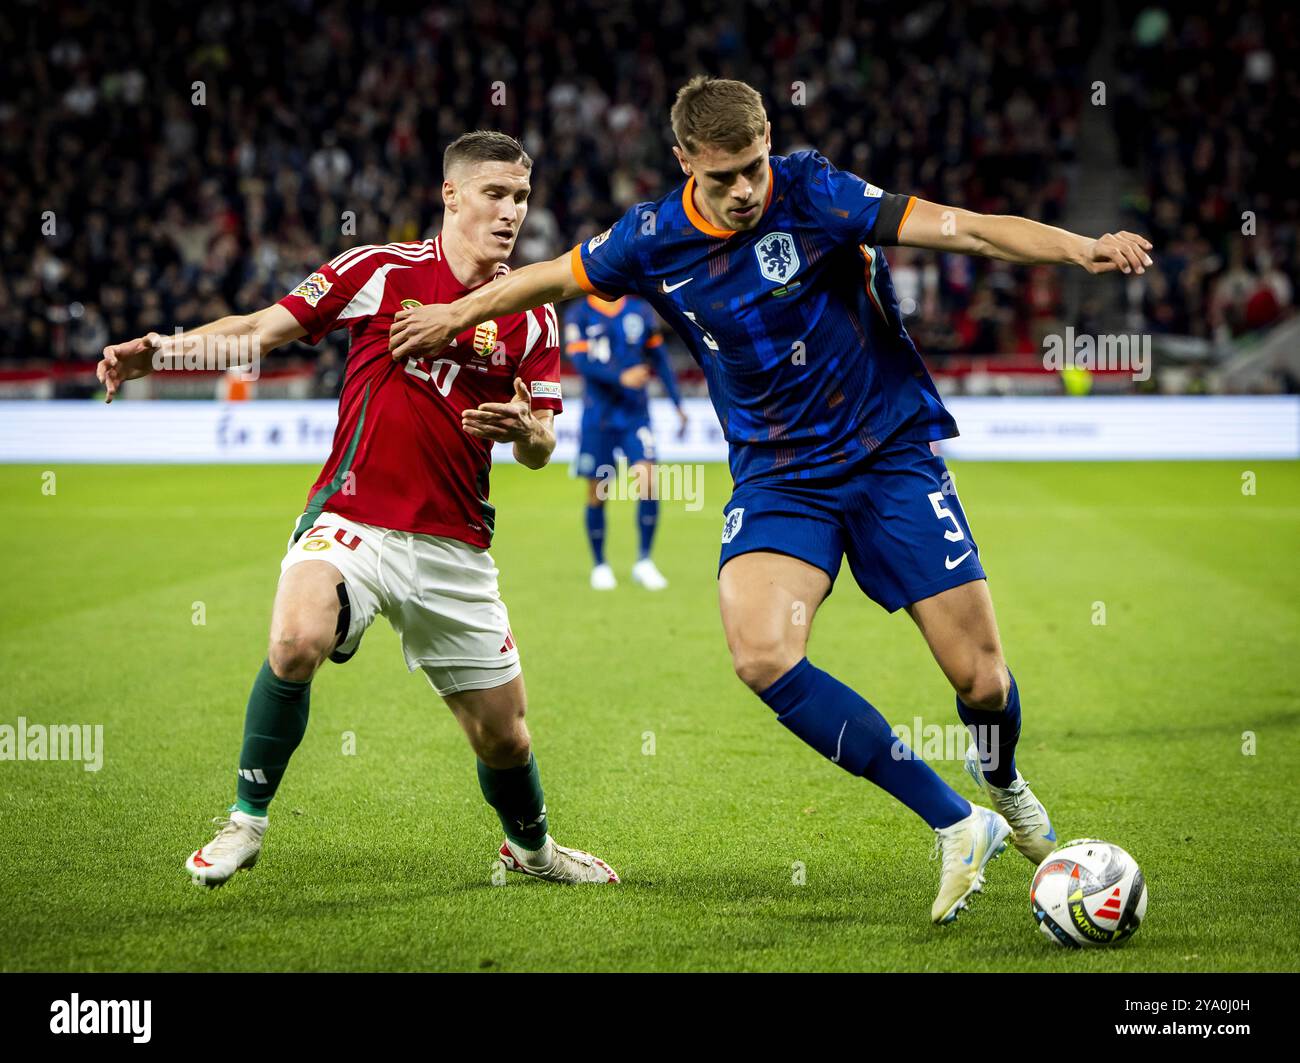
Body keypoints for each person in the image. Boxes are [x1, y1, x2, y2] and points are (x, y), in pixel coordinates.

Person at [388, 78, 1155, 925]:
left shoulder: (814, 191)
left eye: (754, 167)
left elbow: (963, 228)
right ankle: (955, 820)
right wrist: (451, 315)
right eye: (724, 178)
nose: (747, 190)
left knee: (981, 679)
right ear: (684, 163)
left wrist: (1081, 248)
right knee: (760, 652)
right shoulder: (649, 236)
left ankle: (999, 777)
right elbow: (546, 281)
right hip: (779, 474)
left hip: (888, 454)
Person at [96, 131, 618, 889]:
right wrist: (162, 349)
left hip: (454, 545)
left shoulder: (530, 314)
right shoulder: (381, 271)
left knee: (503, 737)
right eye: (496, 194)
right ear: (451, 195)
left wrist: (526, 431)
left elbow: (543, 445)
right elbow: (260, 333)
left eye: (522, 198)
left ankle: (534, 853)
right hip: (354, 519)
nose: (512, 212)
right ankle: (246, 821)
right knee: (297, 635)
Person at [564, 294, 686, 590]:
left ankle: (644, 561)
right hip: (599, 416)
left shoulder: (639, 310)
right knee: (598, 492)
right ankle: (600, 565)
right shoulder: (579, 314)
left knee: (647, 481)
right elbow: (580, 362)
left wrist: (677, 403)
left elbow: (659, 358)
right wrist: (622, 376)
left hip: (635, 415)